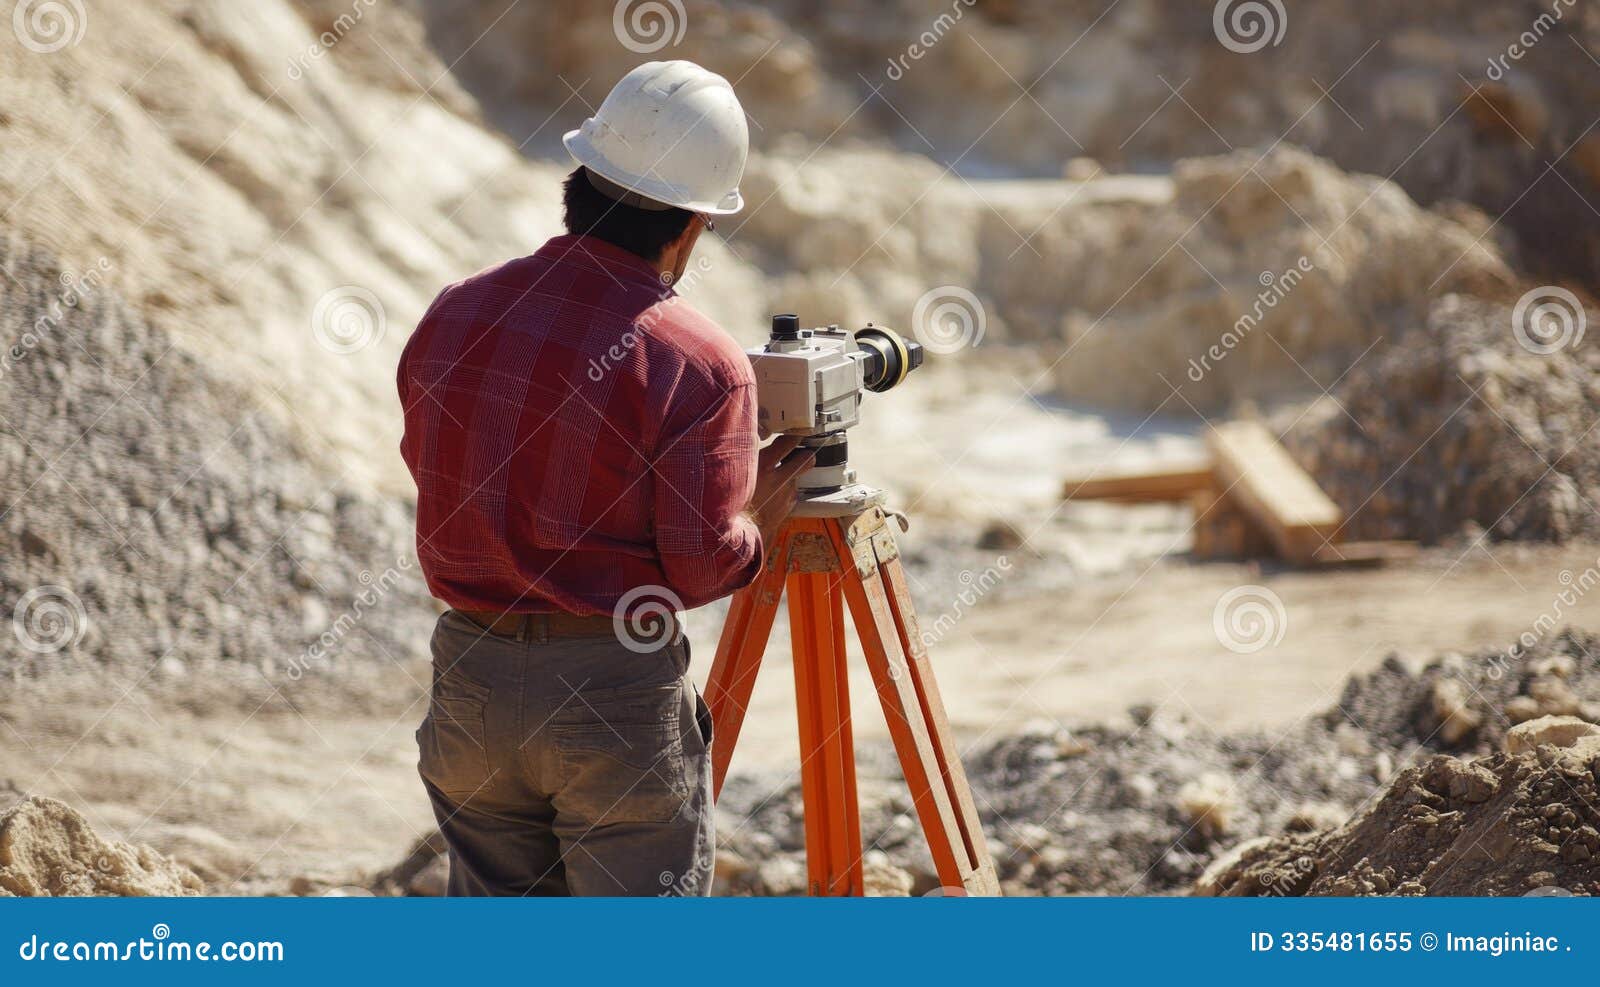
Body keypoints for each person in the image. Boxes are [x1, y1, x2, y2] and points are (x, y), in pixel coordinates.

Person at [396, 60, 813, 896]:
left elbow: (434, 464)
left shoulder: (454, 311)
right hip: (610, 694)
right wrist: (759, 514)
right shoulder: (700, 363)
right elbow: (700, 564)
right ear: (693, 224)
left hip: (467, 679)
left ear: (580, 180)